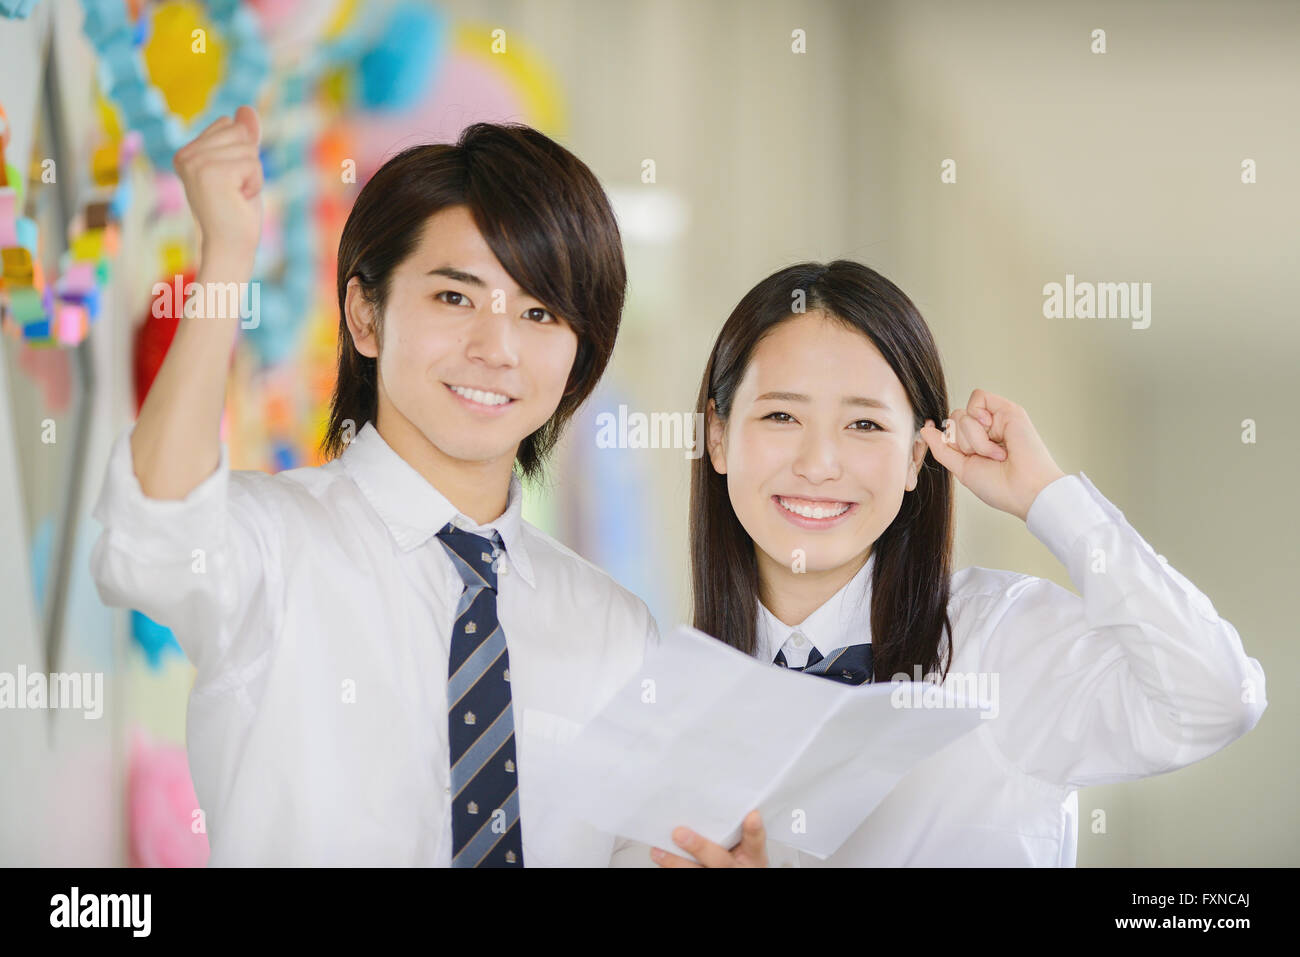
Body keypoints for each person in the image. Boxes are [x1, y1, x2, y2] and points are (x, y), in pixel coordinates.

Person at [89, 106, 657, 866]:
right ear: (366, 316)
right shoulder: (274, 546)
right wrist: (226, 253)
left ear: (578, 356)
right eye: (455, 298)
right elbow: (154, 532)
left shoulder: (616, 633)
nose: (496, 347)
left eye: (539, 311)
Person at [651, 259, 1266, 867]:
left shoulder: (1001, 642)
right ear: (718, 436)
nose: (819, 463)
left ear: (918, 455)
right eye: (782, 415)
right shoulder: (664, 697)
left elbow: (1216, 700)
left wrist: (1050, 500)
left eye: (864, 423)